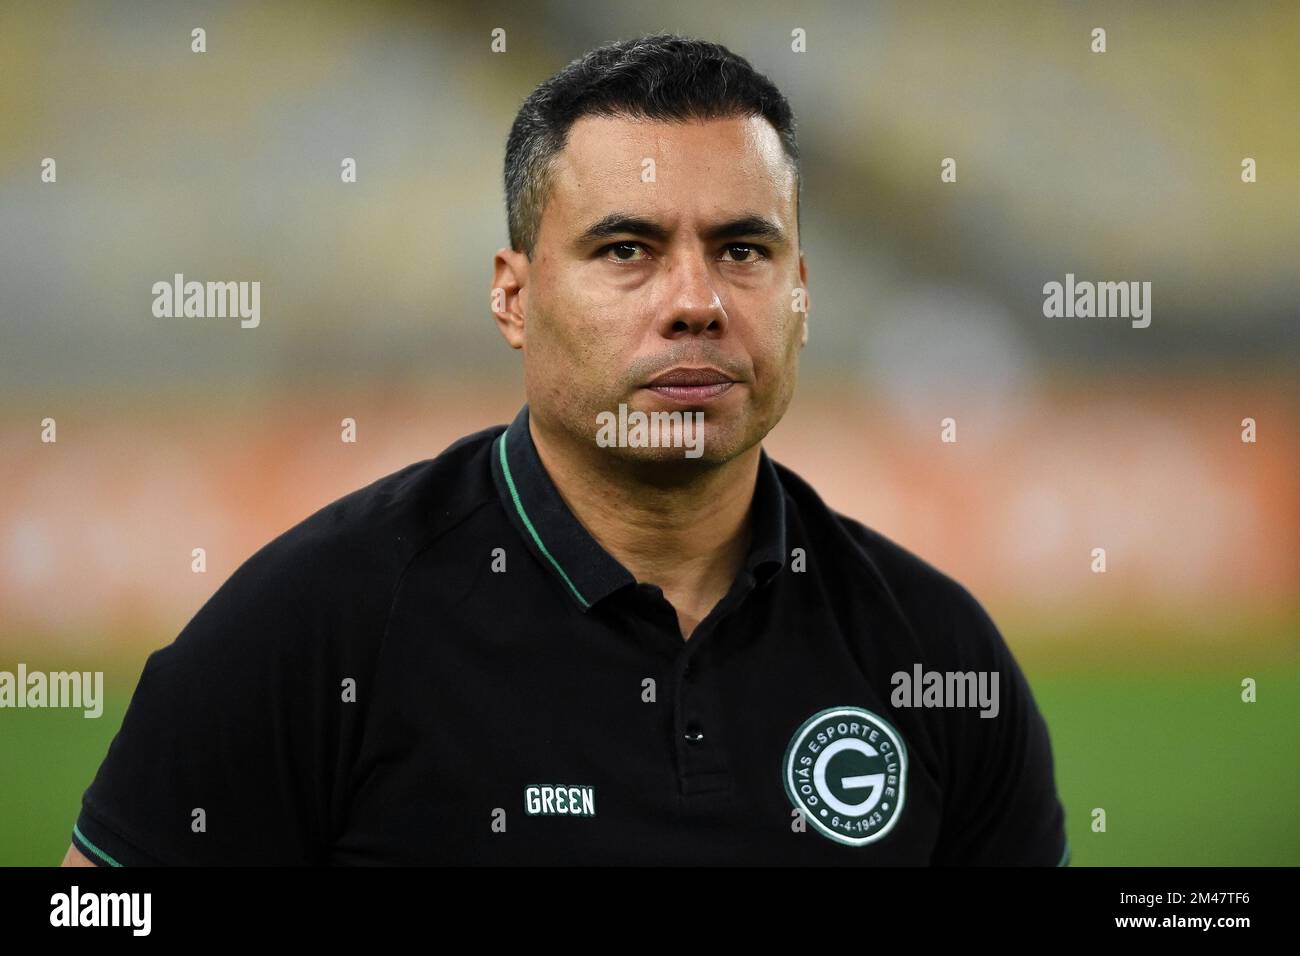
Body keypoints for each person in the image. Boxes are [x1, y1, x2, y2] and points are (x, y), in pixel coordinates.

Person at [64, 33, 1068, 866]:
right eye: (625, 250)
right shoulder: (310, 627)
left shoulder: (936, 652)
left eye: (742, 250)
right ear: (512, 293)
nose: (695, 303)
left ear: (800, 289)